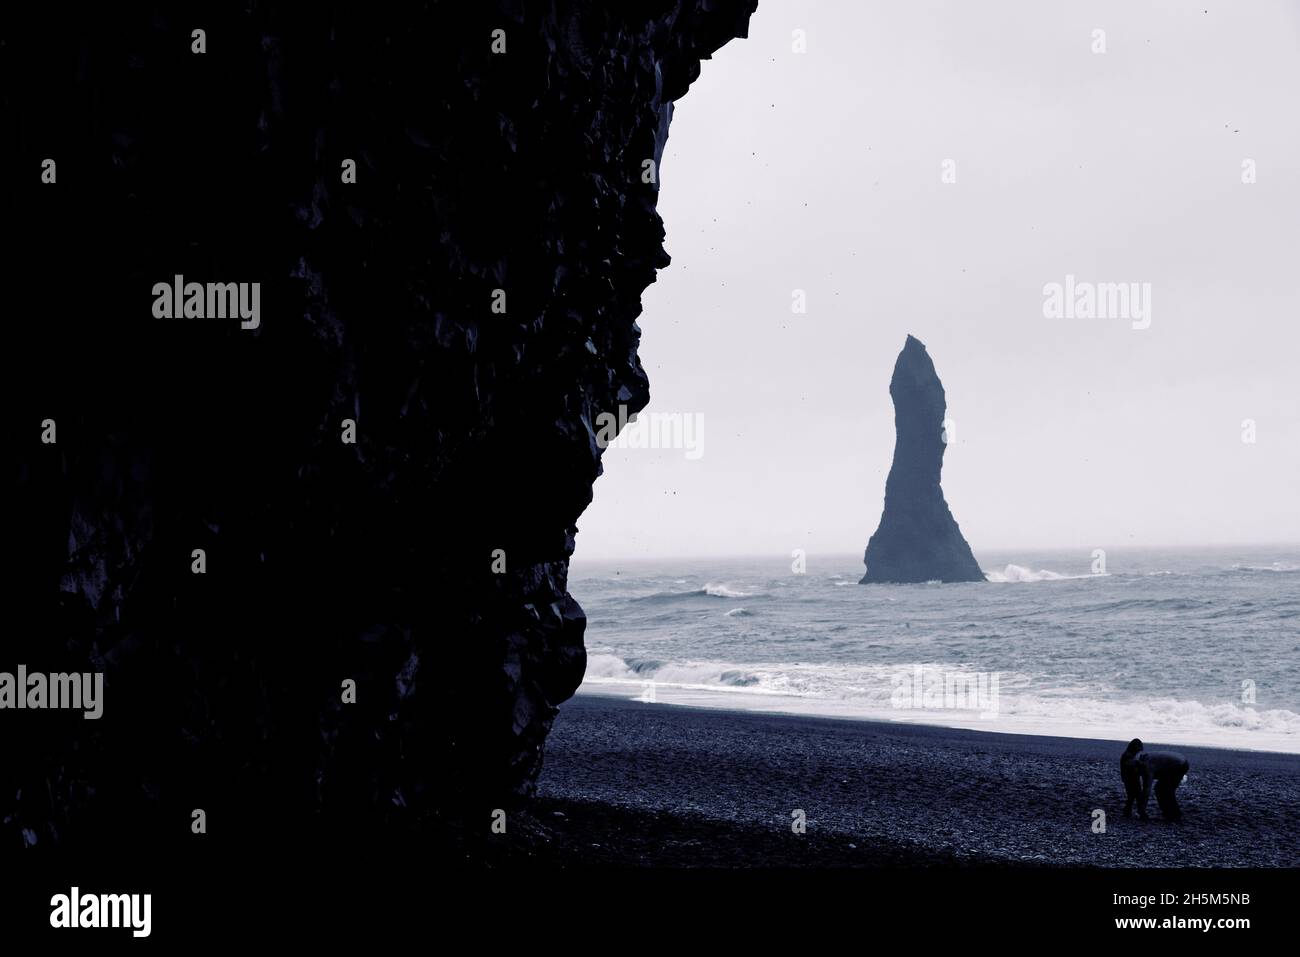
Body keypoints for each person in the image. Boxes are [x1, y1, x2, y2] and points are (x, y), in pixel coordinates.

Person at [1141, 749, 1190, 823]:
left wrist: (1142, 809)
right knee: (1164, 789)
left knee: (1165, 790)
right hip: (1181, 762)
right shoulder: (1148, 757)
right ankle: (1172, 813)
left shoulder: (1147, 766)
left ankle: (1172, 814)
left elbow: (1147, 788)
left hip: (1178, 765)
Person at [1120, 738, 1150, 820]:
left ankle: (1127, 812)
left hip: (1129, 778)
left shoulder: (1127, 754)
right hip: (1131, 779)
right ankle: (1141, 813)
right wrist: (1140, 764)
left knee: (1131, 796)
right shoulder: (1128, 756)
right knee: (1137, 796)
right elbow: (1130, 765)